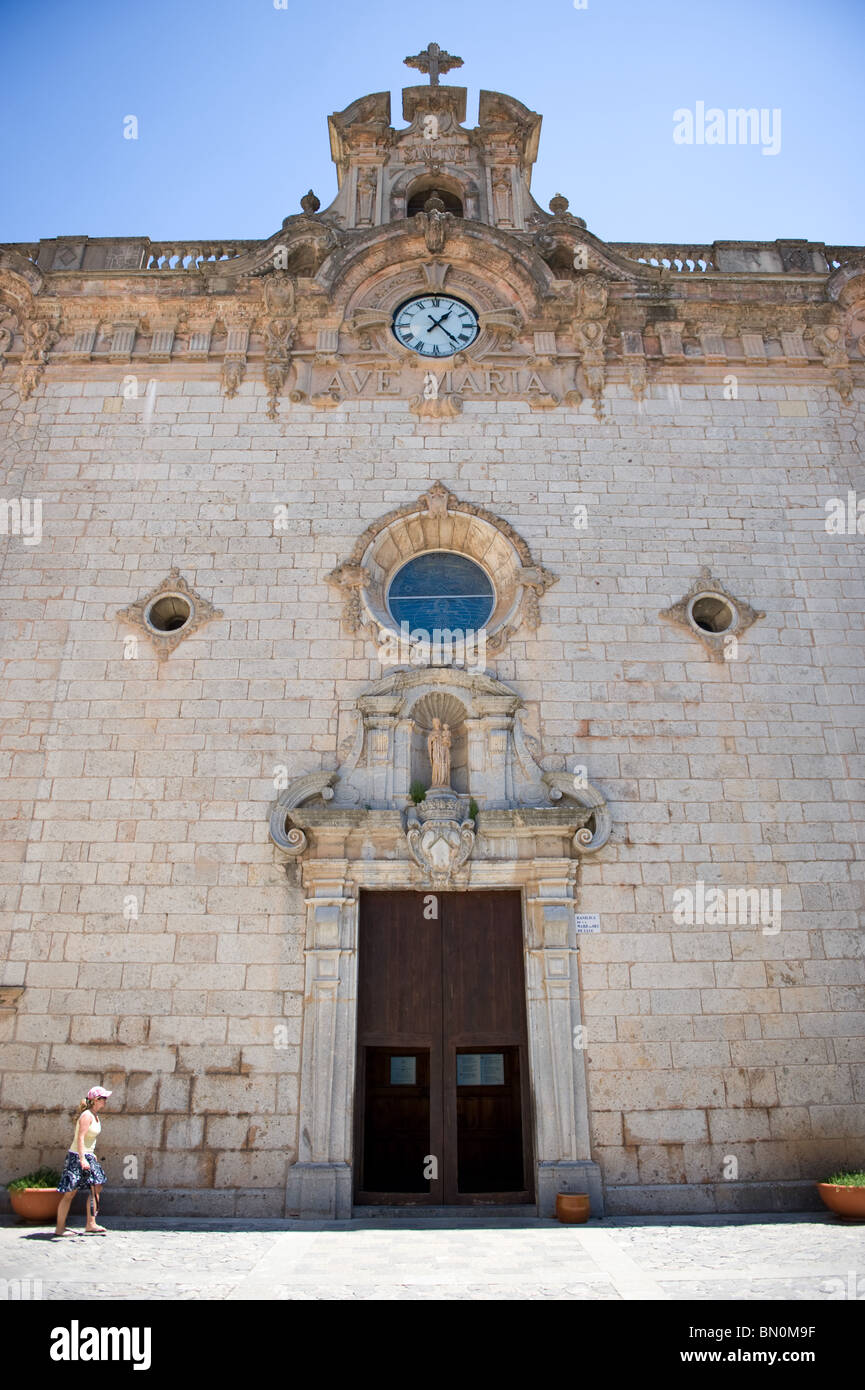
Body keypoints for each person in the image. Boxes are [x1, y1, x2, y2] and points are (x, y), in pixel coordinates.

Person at [54, 1086, 111, 1236]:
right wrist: (82, 1158)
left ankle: (91, 1223)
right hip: (77, 1156)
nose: (106, 1101)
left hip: (88, 1155)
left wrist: (91, 1155)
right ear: (95, 1100)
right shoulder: (86, 1116)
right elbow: (80, 1138)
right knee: (70, 1193)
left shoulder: (95, 1115)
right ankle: (60, 1228)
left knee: (97, 1186)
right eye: (103, 1098)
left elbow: (89, 1139)